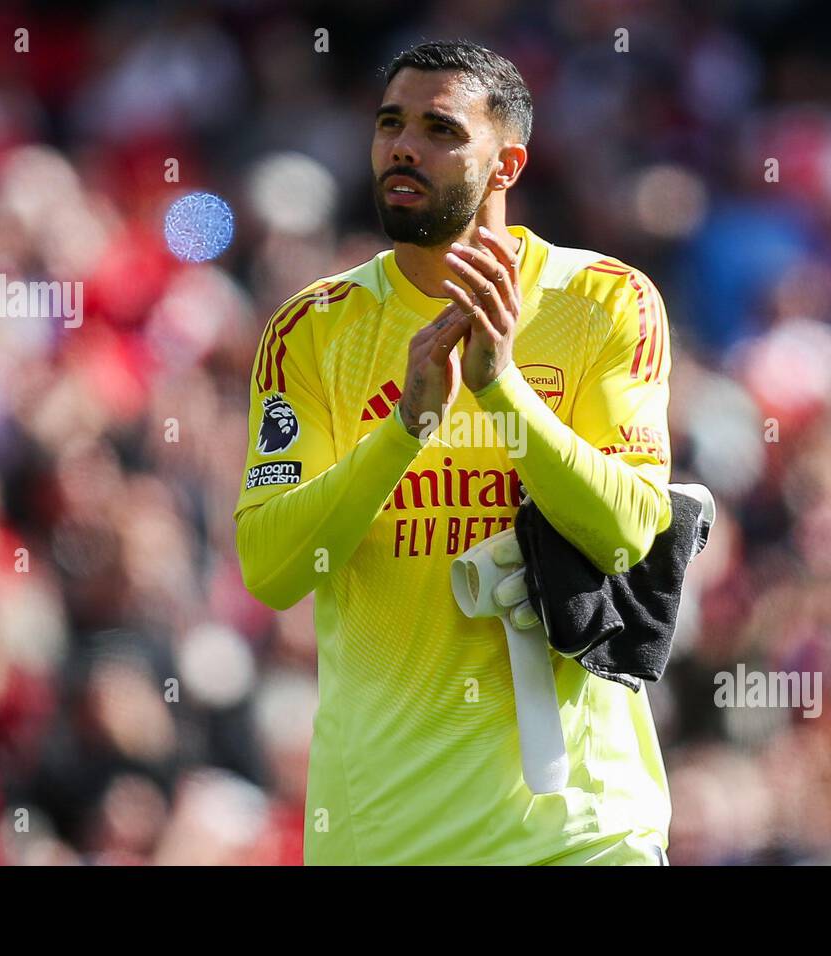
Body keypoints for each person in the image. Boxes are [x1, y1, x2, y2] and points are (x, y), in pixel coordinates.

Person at [234, 39, 673, 865]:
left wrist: (503, 389)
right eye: (390, 123)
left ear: (507, 165)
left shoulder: (603, 301)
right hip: (385, 836)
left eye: (440, 129)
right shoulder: (314, 329)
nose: (403, 146)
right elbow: (273, 569)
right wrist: (403, 432)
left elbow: (626, 532)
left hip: (580, 832)